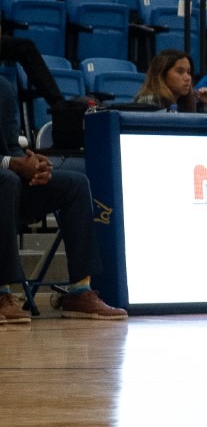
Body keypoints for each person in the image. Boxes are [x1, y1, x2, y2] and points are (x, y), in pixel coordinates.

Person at [0, 129, 127, 322]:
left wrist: (33, 165)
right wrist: (11, 164)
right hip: (6, 181)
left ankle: (79, 291)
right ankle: (2, 292)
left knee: (75, 184)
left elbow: (11, 145)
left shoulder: (6, 97)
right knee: (7, 181)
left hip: (11, 180)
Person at [129, 49, 207, 113]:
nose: (187, 78)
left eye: (188, 72)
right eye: (180, 71)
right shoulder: (150, 101)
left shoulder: (185, 104)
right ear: (162, 75)